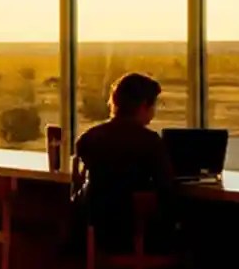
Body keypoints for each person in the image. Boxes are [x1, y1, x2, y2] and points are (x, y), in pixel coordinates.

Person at [73, 72, 176, 253]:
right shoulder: (150, 142)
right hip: (136, 234)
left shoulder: (89, 138)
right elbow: (166, 188)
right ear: (144, 105)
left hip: (95, 231)